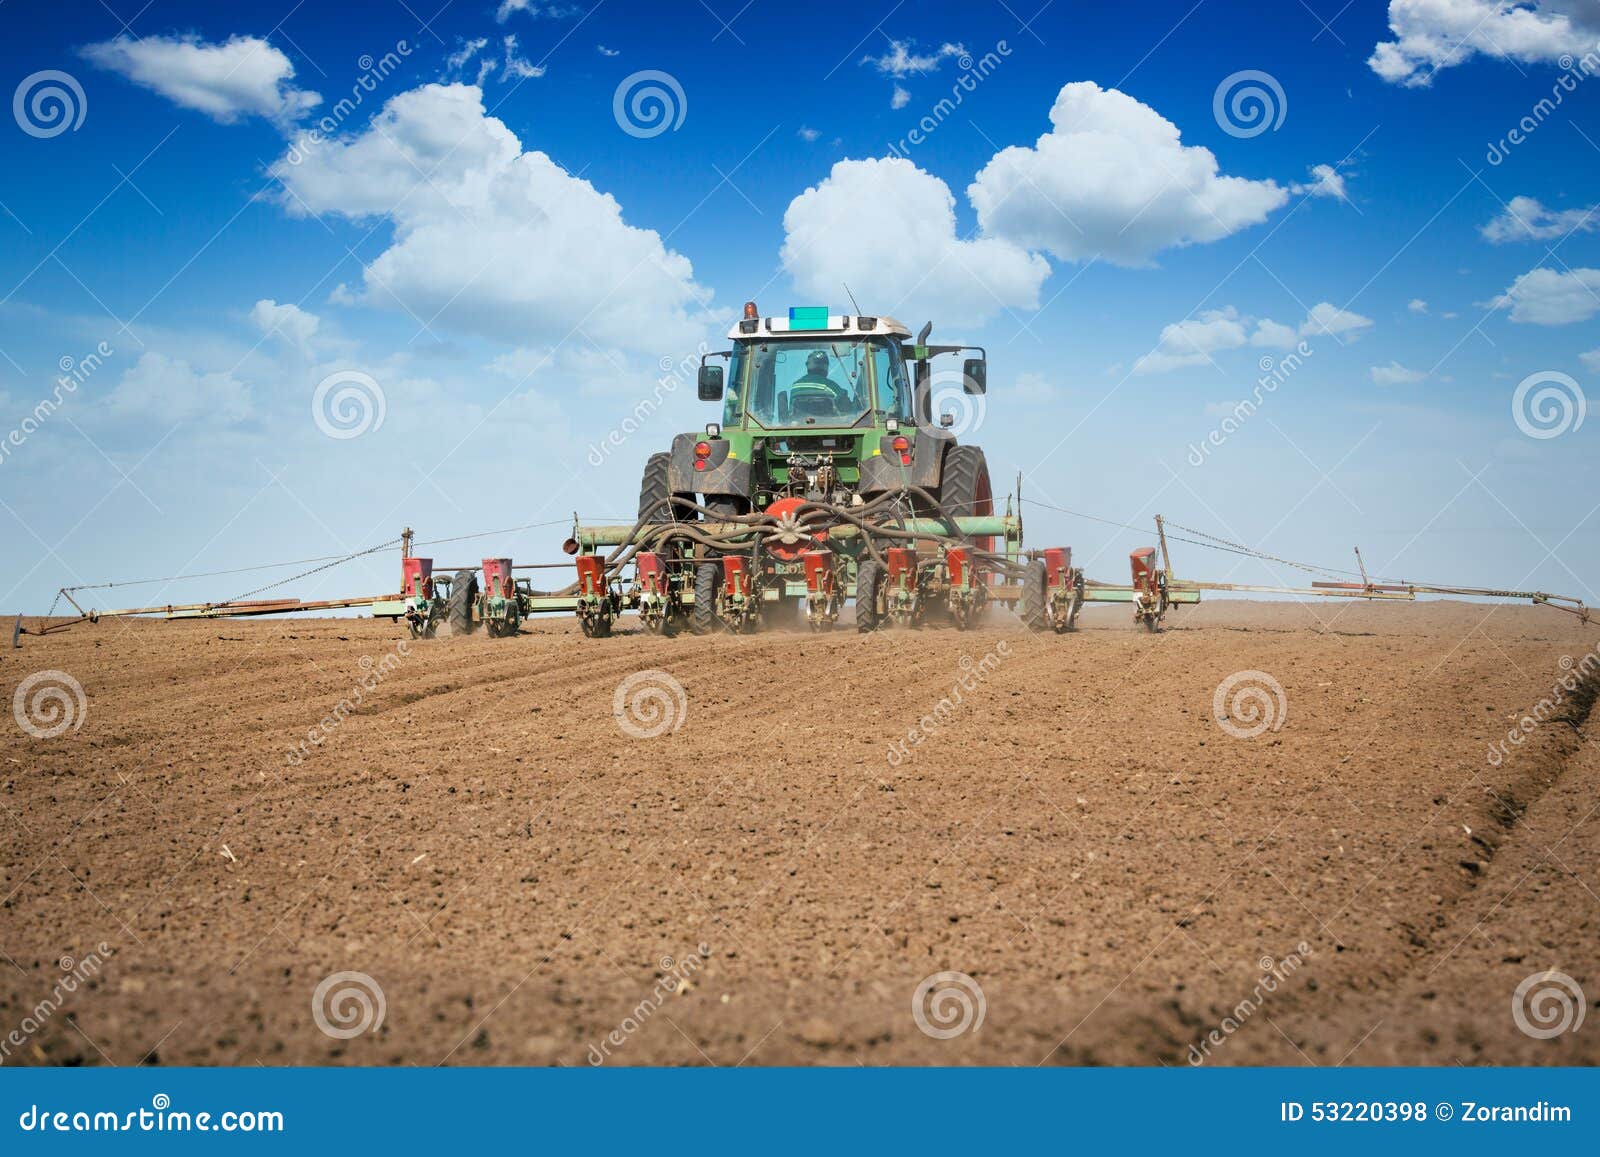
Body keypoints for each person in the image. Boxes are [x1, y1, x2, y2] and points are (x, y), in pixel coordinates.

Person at [787, 350, 852, 416]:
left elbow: (791, 412)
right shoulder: (831, 386)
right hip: (828, 422)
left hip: (799, 422)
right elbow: (848, 411)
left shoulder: (795, 386)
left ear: (808, 365)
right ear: (825, 365)